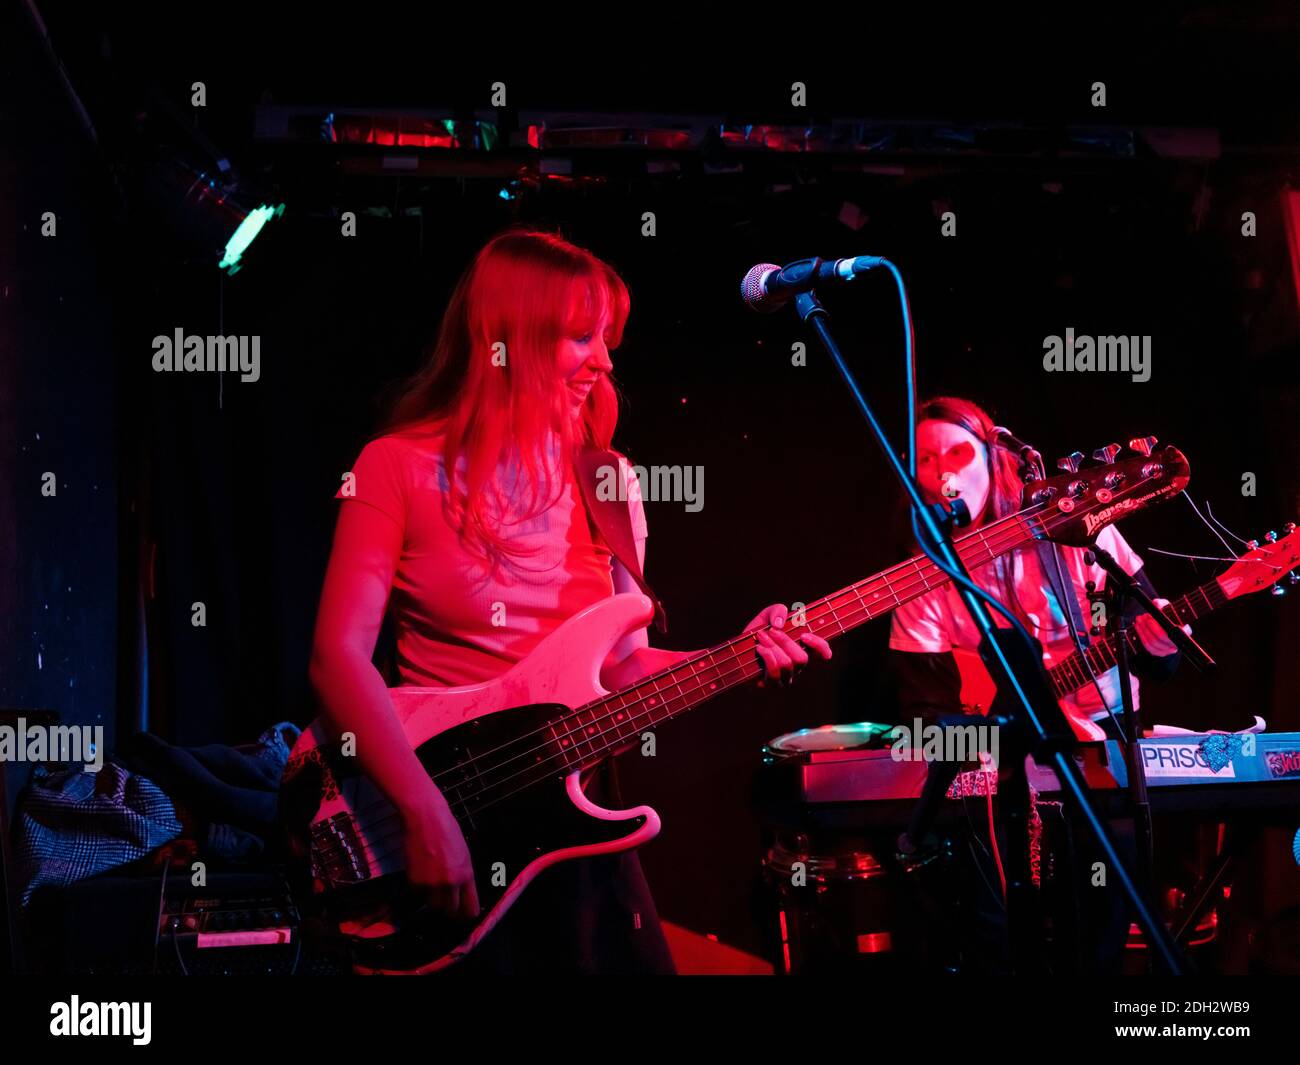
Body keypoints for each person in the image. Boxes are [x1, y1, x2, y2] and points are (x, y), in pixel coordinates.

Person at [307, 227, 830, 973]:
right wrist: (424, 814)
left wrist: (735, 656)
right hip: (435, 822)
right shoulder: (392, 467)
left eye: (607, 338)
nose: (605, 360)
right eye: (581, 336)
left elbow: (619, 668)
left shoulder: (610, 480)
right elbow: (336, 658)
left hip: (570, 833)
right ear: (508, 338)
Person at [887, 395, 1190, 973]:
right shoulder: (922, 580)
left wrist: (1158, 638)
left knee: (1099, 941)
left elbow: (1159, 662)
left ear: (992, 459)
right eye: (926, 460)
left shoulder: (1078, 535)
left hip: (1100, 756)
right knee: (997, 943)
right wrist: (991, 730)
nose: (945, 471)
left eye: (958, 452)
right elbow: (923, 717)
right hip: (993, 784)